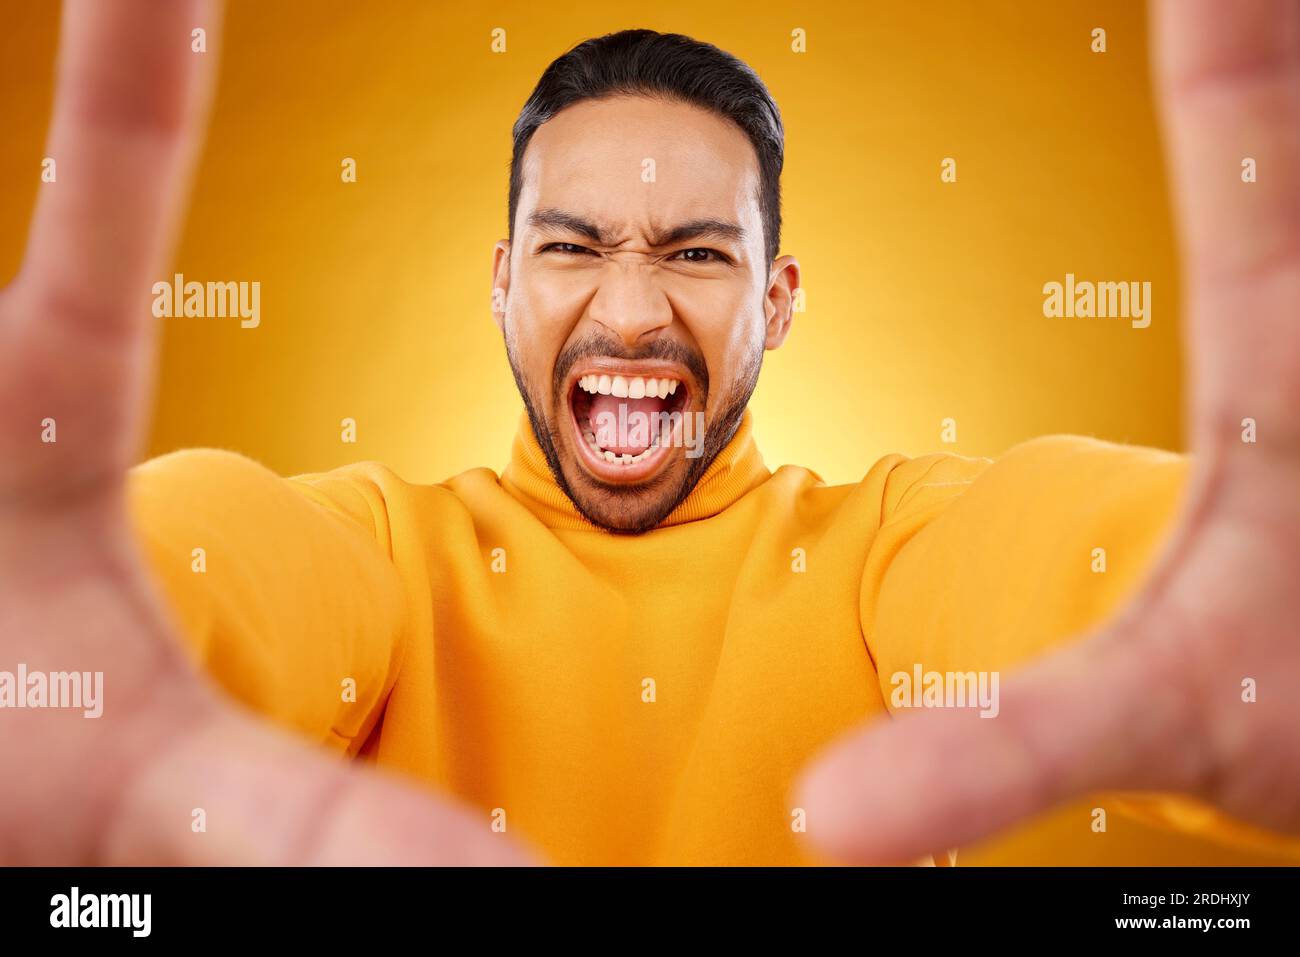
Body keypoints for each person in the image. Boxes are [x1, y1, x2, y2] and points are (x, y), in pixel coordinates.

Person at [1, 0, 1296, 866]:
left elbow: (1048, 543)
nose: (629, 314)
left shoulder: (884, 551)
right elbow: (220, 557)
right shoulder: (385, 552)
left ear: (778, 300)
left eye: (695, 251)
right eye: (573, 248)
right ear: (502, 281)